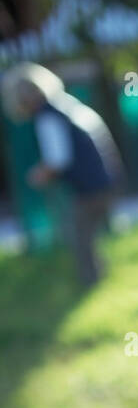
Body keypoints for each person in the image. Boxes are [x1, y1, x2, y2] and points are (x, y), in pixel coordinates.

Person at [0, 62, 124, 286]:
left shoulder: (48, 116)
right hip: (105, 179)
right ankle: (99, 278)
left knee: (79, 237)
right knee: (87, 235)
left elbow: (57, 159)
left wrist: (39, 175)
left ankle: (91, 283)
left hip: (90, 186)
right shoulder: (66, 104)